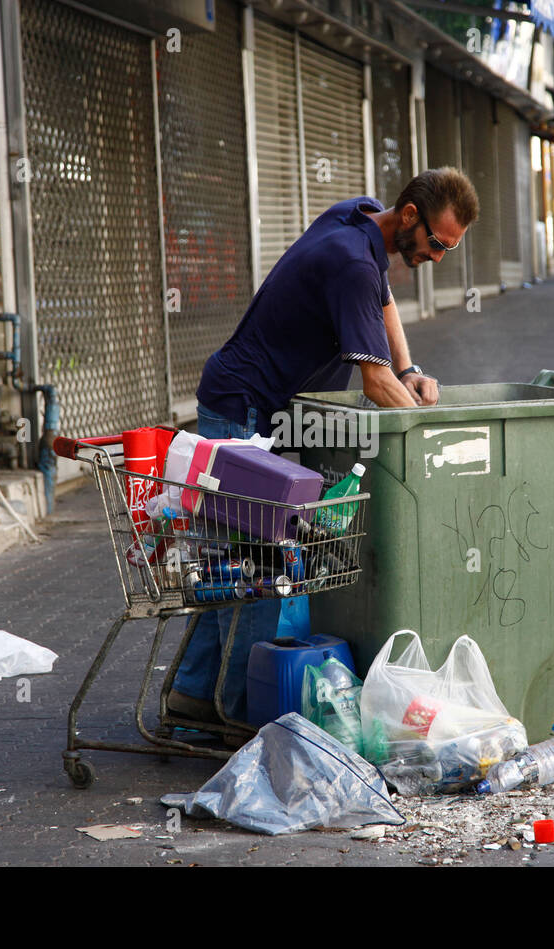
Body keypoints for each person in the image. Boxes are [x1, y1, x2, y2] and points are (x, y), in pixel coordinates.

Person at [168, 167, 480, 727]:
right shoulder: (351, 262)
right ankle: (241, 717)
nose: (437, 257)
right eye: (436, 243)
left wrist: (409, 369)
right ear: (409, 216)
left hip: (255, 404)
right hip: (241, 407)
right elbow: (374, 383)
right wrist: (428, 438)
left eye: (449, 249)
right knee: (258, 570)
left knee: (235, 562)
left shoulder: (358, 215)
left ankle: (194, 694)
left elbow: (384, 309)